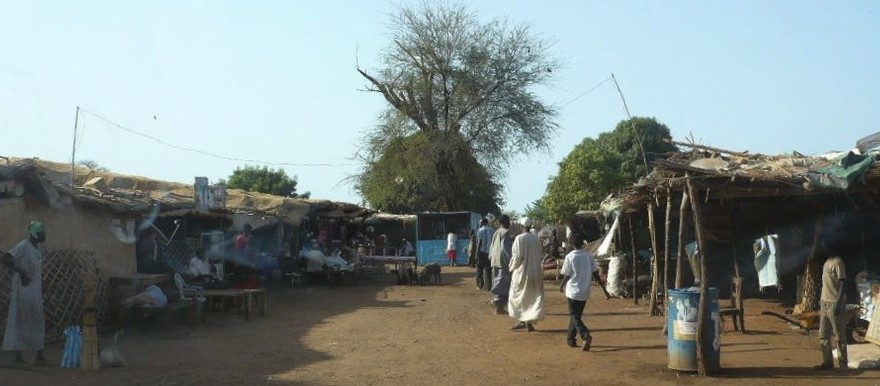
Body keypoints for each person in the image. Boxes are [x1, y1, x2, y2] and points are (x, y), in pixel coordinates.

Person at [1, 221, 48, 364]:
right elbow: (5, 258)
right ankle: (19, 355)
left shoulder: (37, 248)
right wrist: (21, 272)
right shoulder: (23, 246)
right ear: (34, 234)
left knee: (37, 320)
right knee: (21, 320)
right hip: (22, 289)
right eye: (41, 233)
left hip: (34, 290)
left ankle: (38, 354)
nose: (44, 235)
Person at [559, 233, 599, 351]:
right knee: (576, 316)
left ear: (571, 244)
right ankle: (571, 339)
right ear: (583, 243)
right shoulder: (588, 256)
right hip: (584, 291)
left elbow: (567, 274)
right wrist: (603, 288)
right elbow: (595, 272)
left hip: (573, 291)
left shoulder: (570, 256)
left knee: (574, 315)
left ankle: (585, 335)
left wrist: (561, 285)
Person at [508, 217, 545, 331]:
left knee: (520, 297)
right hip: (535, 272)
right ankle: (528, 323)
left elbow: (517, 257)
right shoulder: (536, 239)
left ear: (521, 226)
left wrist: (511, 267)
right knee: (531, 298)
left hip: (522, 273)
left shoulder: (519, 239)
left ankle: (522, 321)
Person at [814, 254, 848, 371]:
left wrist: (838, 303)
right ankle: (827, 362)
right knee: (823, 335)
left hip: (835, 302)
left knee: (839, 336)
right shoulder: (827, 261)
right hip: (824, 302)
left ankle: (843, 364)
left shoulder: (838, 262)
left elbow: (843, 282)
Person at [489, 215, 513, 314]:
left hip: (494, 261)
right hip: (502, 263)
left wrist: (491, 258)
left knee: (499, 284)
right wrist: (511, 262)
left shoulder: (496, 232)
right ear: (506, 222)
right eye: (509, 222)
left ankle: (498, 307)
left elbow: (491, 247)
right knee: (505, 285)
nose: (510, 224)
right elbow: (506, 250)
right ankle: (497, 302)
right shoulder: (505, 233)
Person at [476, 218, 494, 291]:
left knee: (479, 268)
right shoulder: (492, 230)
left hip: (482, 252)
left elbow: (479, 242)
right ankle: (488, 286)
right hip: (489, 252)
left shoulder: (480, 230)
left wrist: (477, 253)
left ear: (482, 223)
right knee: (488, 269)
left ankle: (480, 285)